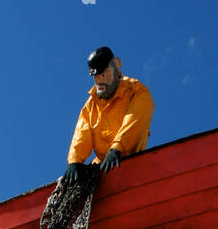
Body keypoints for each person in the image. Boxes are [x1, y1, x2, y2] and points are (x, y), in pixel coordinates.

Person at [63, 46, 154, 183]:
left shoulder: (136, 91)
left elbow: (134, 120)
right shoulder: (91, 105)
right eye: (96, 76)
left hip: (131, 159)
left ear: (117, 64)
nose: (99, 80)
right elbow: (82, 132)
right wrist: (74, 162)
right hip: (102, 164)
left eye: (103, 74)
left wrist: (117, 148)